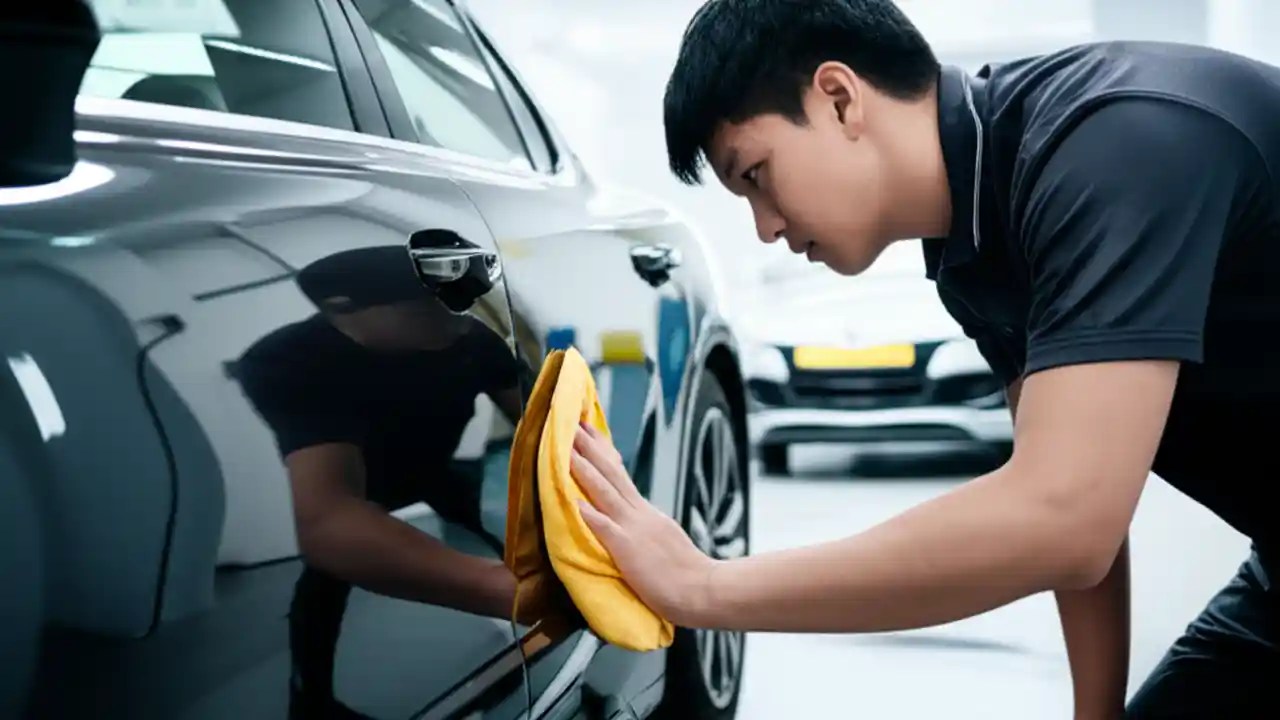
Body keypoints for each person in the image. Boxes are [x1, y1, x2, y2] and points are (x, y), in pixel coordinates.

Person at [567, 1, 1280, 717]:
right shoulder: (977, 238)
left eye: (755, 174)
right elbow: (1063, 497)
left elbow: (1064, 517)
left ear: (840, 98)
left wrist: (704, 589)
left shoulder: (1112, 145)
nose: (765, 227)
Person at [236, 245, 559, 718]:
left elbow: (544, 429)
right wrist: (504, 591)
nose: (453, 322)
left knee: (492, 523)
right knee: (324, 584)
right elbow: (329, 517)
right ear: (341, 310)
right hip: (360, 479)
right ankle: (312, 699)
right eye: (424, 310)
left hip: (434, 465)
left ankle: (548, 631)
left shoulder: (469, 338)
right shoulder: (287, 360)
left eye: (457, 306)